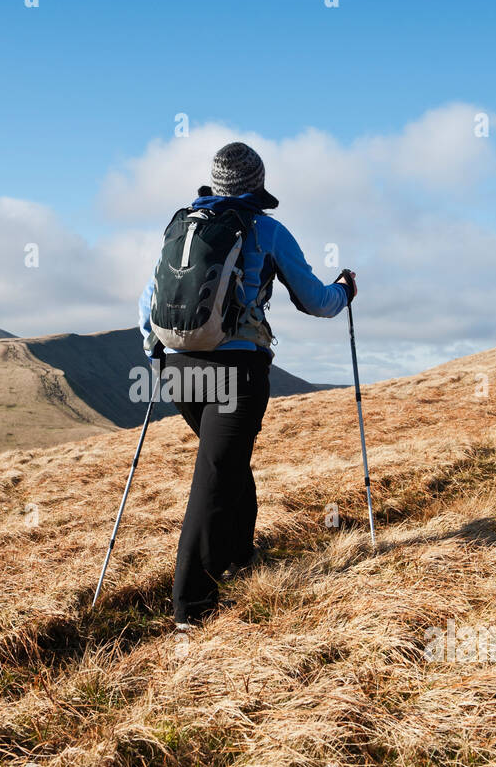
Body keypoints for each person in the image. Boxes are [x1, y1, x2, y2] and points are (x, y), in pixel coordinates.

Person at [138, 141, 356, 628]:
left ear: (214, 182)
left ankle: (239, 559)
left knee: (227, 464)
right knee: (214, 478)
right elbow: (316, 301)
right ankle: (191, 611)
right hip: (237, 371)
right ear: (257, 183)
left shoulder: (183, 227)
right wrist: (345, 290)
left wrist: (155, 351)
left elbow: (150, 297)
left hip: (178, 369)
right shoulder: (266, 230)